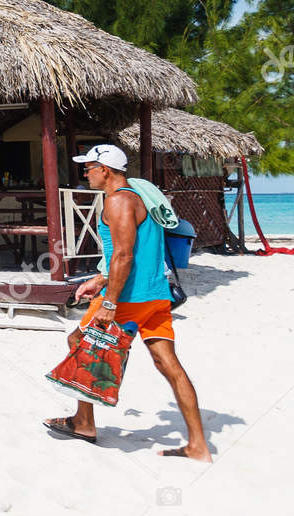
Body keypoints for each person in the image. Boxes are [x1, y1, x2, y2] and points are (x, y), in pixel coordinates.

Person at [44, 144, 212, 461]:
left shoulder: (119, 200)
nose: (85, 173)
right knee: (169, 365)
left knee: (79, 341)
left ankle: (84, 423)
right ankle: (198, 445)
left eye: (88, 167)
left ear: (105, 170)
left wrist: (110, 301)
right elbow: (136, 253)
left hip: (130, 299)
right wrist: (100, 278)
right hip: (156, 295)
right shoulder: (139, 198)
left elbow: (124, 254)